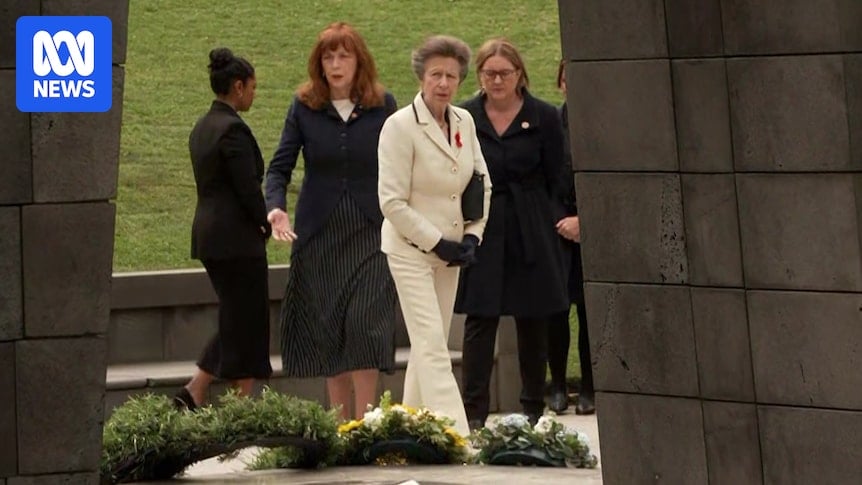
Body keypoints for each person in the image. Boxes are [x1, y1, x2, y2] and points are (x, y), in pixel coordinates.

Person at [264, 22, 398, 421]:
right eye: (328, 57)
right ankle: (340, 427)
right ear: (318, 64)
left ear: (360, 62)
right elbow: (279, 168)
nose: (336, 64)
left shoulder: (383, 104)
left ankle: (367, 424)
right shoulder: (304, 107)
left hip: (371, 229)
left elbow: (404, 161)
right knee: (329, 328)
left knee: (365, 324)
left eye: (344, 56)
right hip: (320, 232)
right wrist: (275, 208)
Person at [377, 35, 492, 437]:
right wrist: (435, 241)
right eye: (436, 75)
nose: (443, 83)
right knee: (432, 346)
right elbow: (391, 202)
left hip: (452, 253)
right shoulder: (398, 126)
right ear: (422, 77)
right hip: (409, 250)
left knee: (431, 344)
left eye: (451, 76)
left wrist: (472, 236)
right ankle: (458, 437)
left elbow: (481, 181)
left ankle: (406, 429)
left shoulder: (465, 121)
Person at [455, 38, 569, 430]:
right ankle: (473, 414)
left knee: (533, 317)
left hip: (530, 224)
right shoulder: (465, 116)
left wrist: (552, 216)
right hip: (483, 226)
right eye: (489, 73)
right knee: (479, 320)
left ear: (520, 74)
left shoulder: (545, 116)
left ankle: (533, 410)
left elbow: (560, 174)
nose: (497, 80)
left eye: (505, 73)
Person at [176, 47, 273, 410]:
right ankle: (233, 404)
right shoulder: (232, 129)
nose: (253, 94)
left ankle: (198, 390)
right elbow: (246, 187)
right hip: (236, 240)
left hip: (210, 236)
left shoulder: (202, 127)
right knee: (247, 319)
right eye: (252, 87)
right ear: (237, 86)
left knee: (235, 316)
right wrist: (264, 223)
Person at [549, 59, 594, 415]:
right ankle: (559, 387)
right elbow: (540, 181)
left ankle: (591, 389)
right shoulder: (550, 125)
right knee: (556, 311)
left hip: (594, 232)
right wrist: (561, 220)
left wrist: (586, 221)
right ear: (560, 83)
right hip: (555, 230)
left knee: (590, 312)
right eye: (567, 78)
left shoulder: (603, 124)